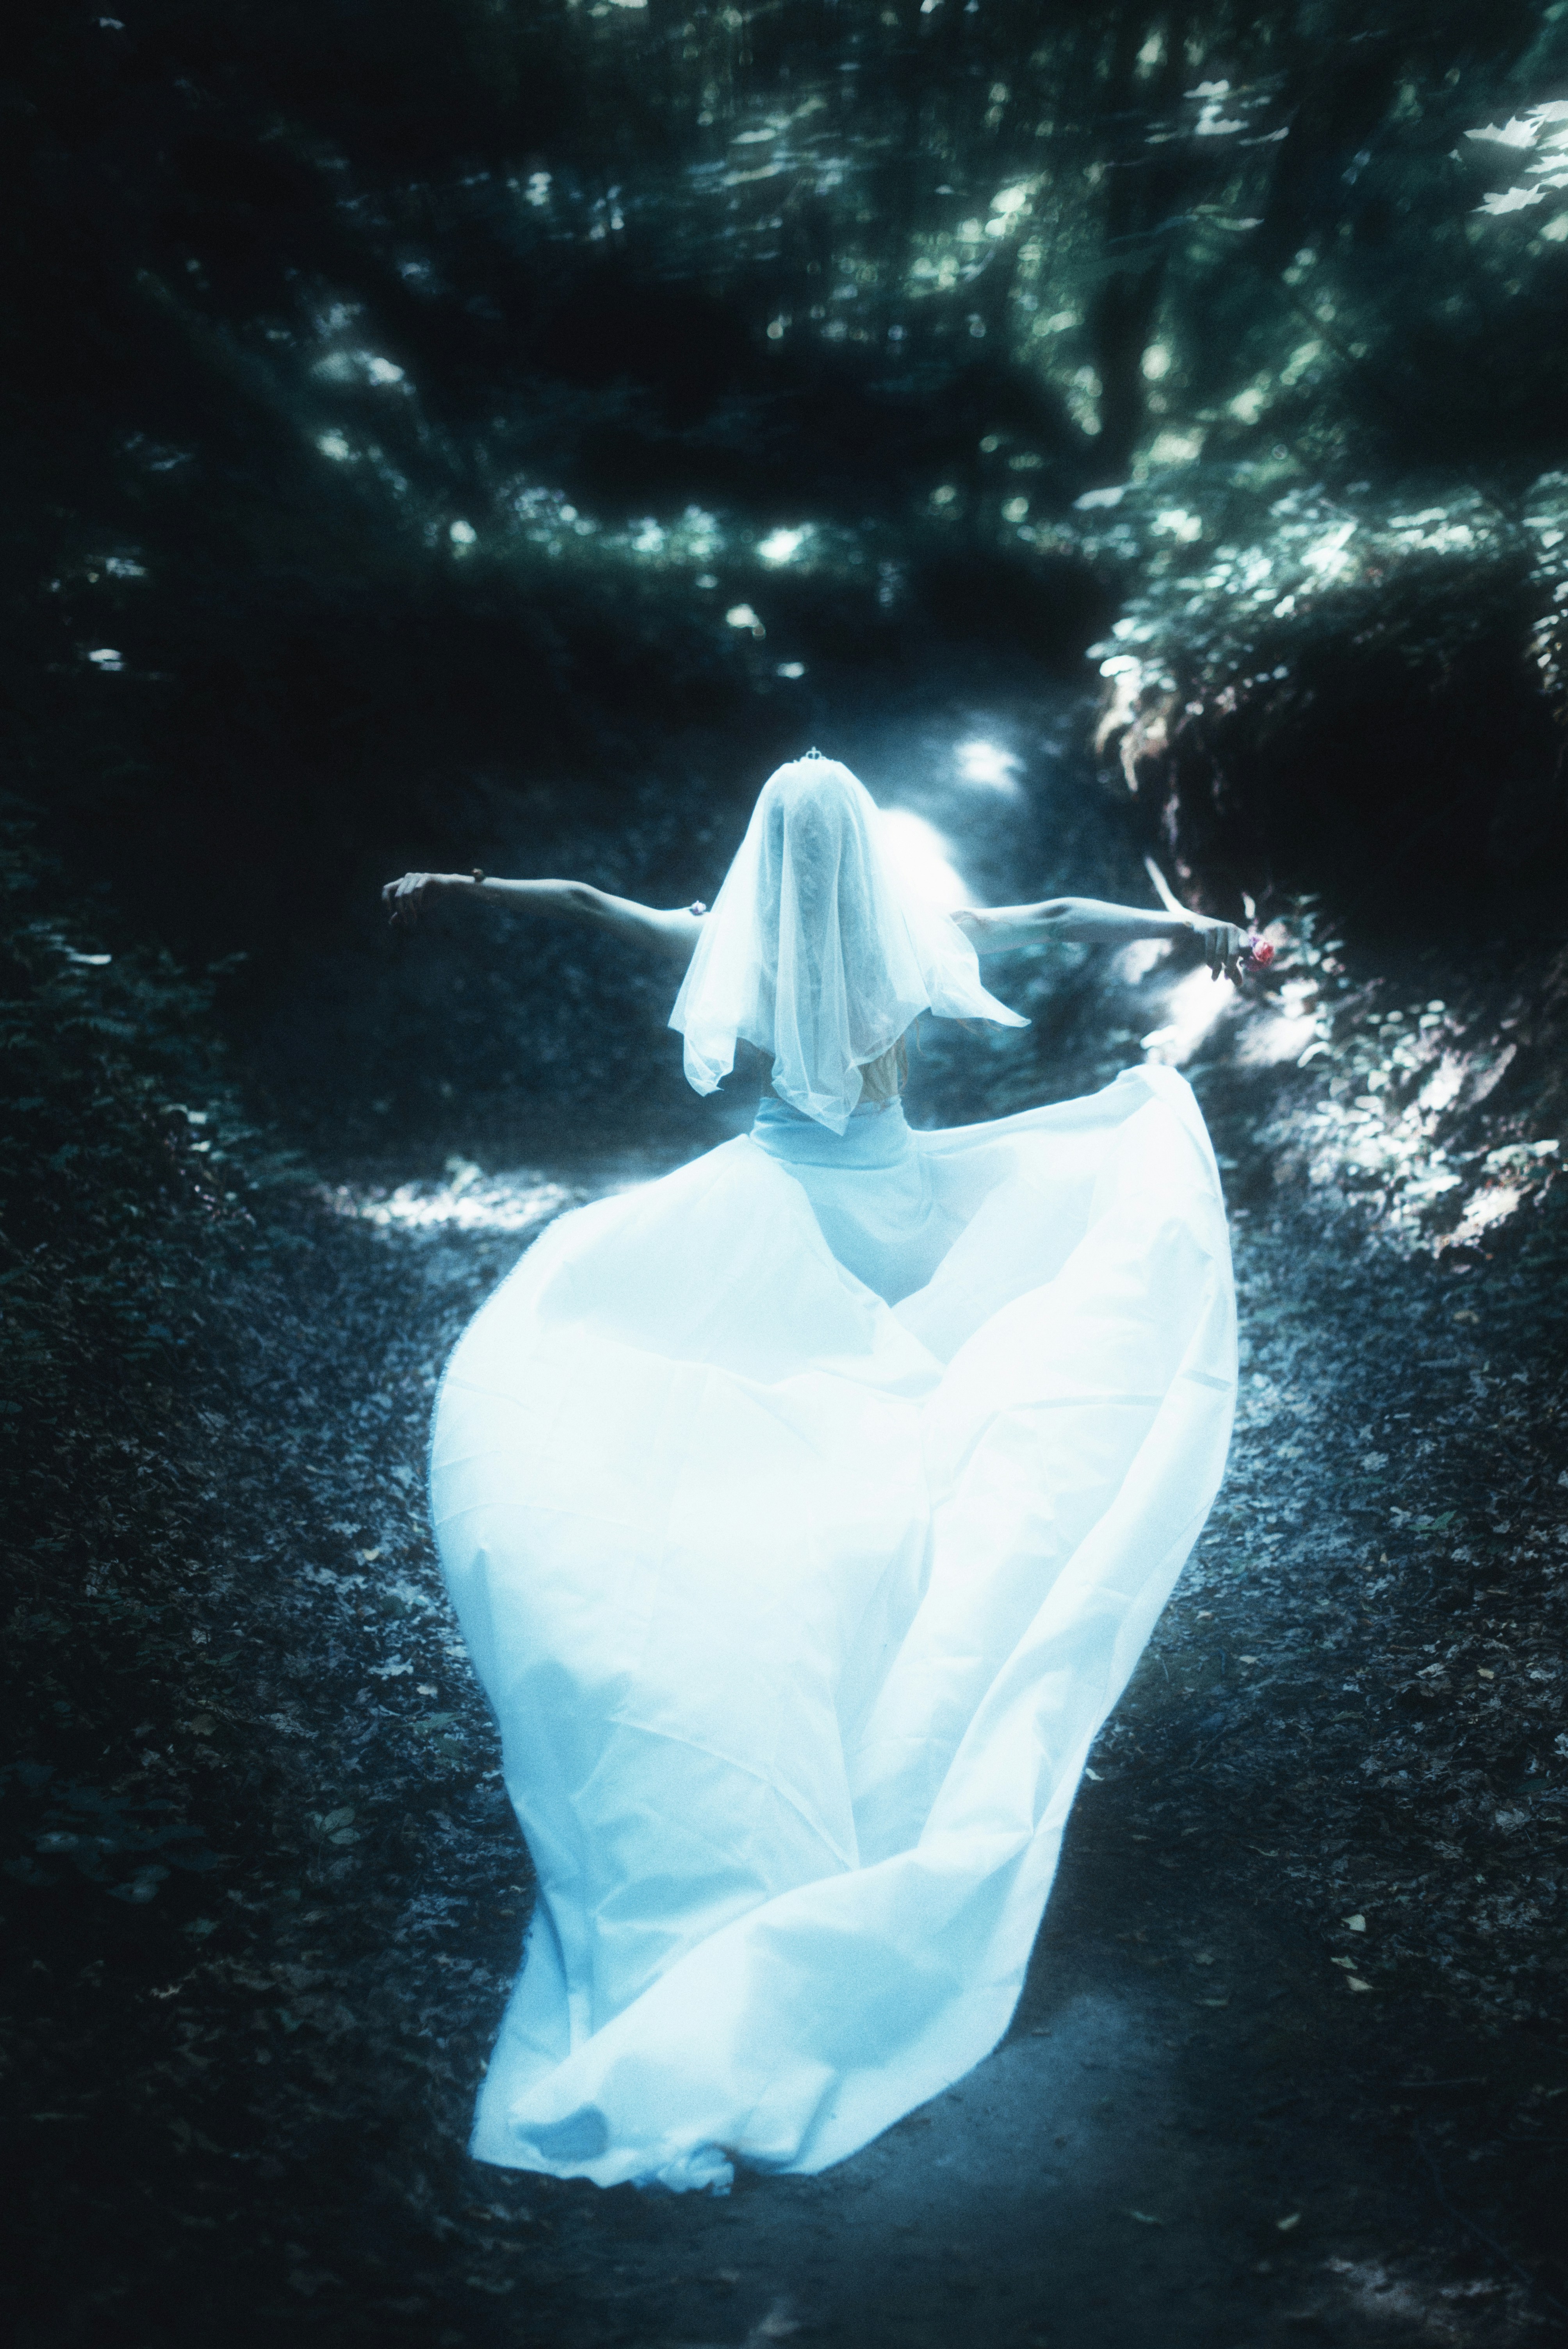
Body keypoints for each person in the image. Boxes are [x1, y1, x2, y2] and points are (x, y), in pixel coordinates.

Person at [382, 754, 1240, 2193]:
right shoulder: (921, 934)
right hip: (900, 1211)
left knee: (779, 1419)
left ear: (773, 846)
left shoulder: (745, 935)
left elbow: (592, 901)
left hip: (784, 1214)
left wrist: (463, 887)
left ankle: (832, 1622)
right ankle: (908, 1634)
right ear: (863, 846)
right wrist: (1198, 939)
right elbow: (1066, 911)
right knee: (919, 1422)